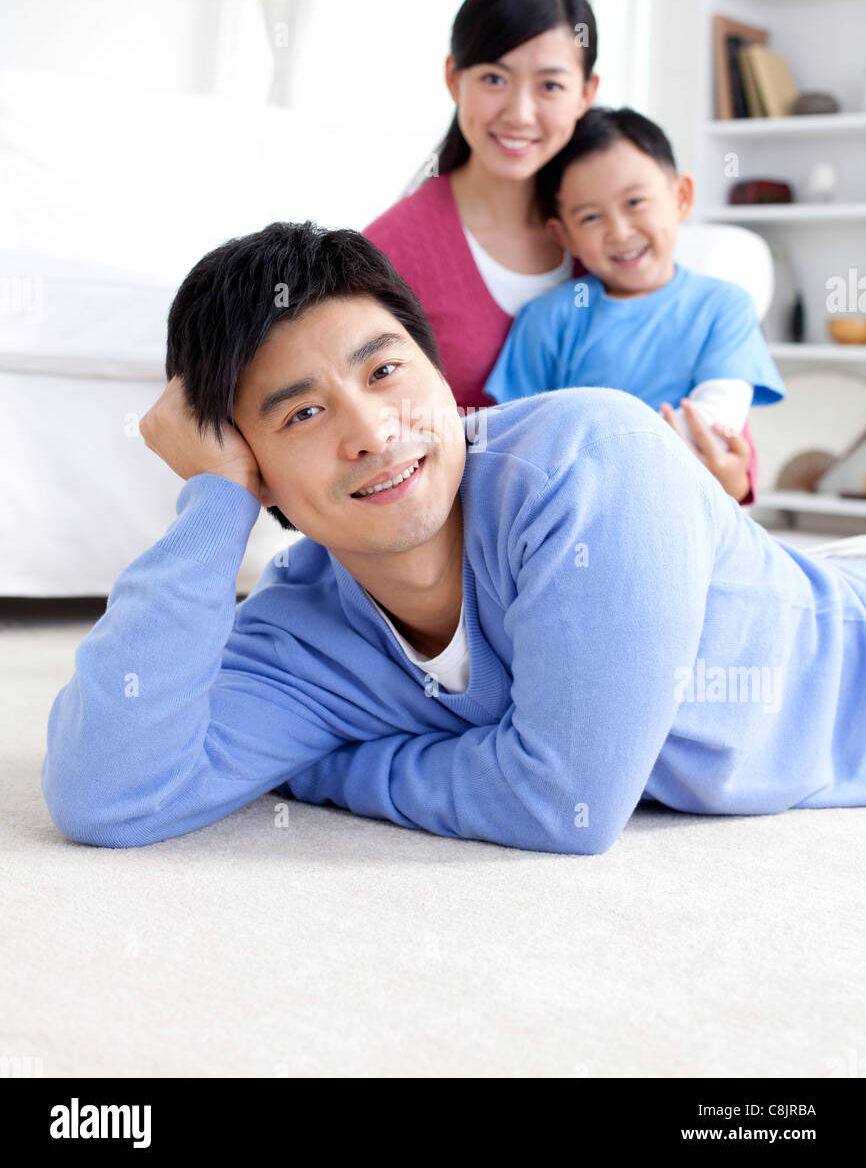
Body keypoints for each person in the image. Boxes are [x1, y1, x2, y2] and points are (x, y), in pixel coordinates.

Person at [41, 221, 866, 857]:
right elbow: (109, 794)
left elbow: (566, 804)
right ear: (256, 466)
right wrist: (216, 505)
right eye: (302, 413)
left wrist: (340, 766)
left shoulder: (592, 460)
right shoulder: (305, 626)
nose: (373, 432)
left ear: (441, 375)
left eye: (385, 371)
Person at [364, 0, 758, 503]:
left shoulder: (612, 230)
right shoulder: (388, 255)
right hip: (489, 532)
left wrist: (734, 477)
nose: (520, 113)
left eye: (550, 84)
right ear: (455, 78)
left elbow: (710, 393)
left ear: (585, 93)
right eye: (493, 79)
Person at [483, 106, 786, 453]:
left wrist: (599, 448)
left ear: (681, 197)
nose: (620, 232)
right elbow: (516, 436)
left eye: (635, 202)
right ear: (563, 234)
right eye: (592, 217)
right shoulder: (547, 318)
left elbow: (717, 426)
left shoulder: (724, 306)